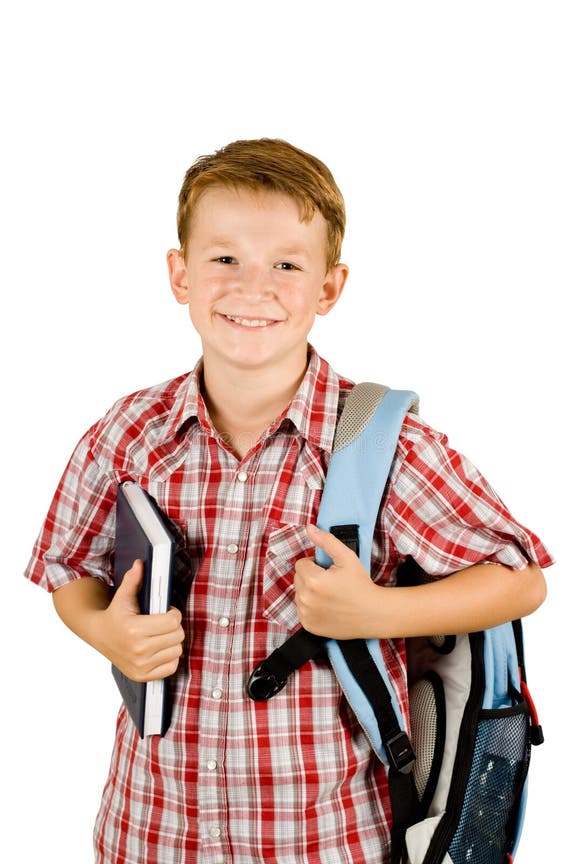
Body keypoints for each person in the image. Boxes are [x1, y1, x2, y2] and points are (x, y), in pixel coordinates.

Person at [24, 138, 553, 864]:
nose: (252, 287)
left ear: (329, 288)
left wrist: (379, 614)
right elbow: (66, 567)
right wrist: (106, 632)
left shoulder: (381, 445)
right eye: (224, 259)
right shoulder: (128, 434)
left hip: (324, 840)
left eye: (286, 265)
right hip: (149, 830)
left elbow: (521, 578)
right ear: (179, 274)